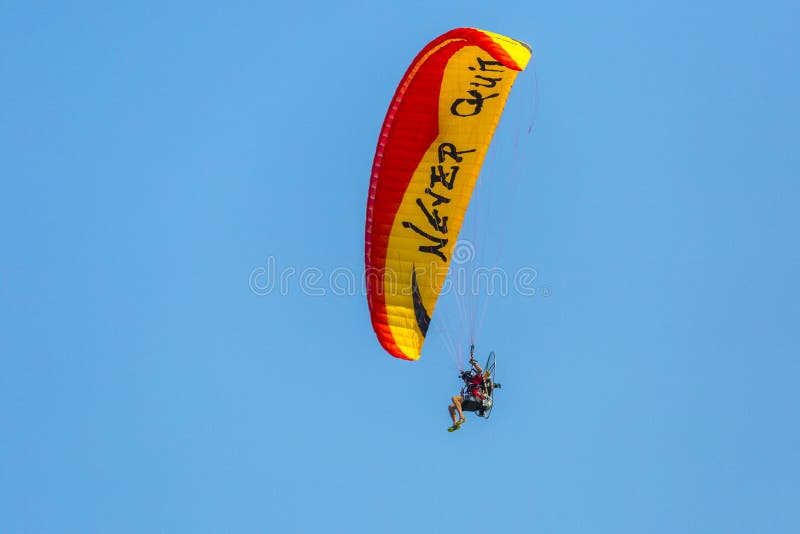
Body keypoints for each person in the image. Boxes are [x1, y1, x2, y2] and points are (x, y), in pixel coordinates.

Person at [447, 349, 485, 432]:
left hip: (477, 400)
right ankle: (455, 424)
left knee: (454, 398)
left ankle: (462, 417)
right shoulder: (468, 388)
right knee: (450, 407)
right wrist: (462, 394)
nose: (464, 381)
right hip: (472, 405)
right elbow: (464, 397)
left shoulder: (475, 379)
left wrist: (473, 363)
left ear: (468, 377)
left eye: (465, 379)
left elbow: (480, 371)